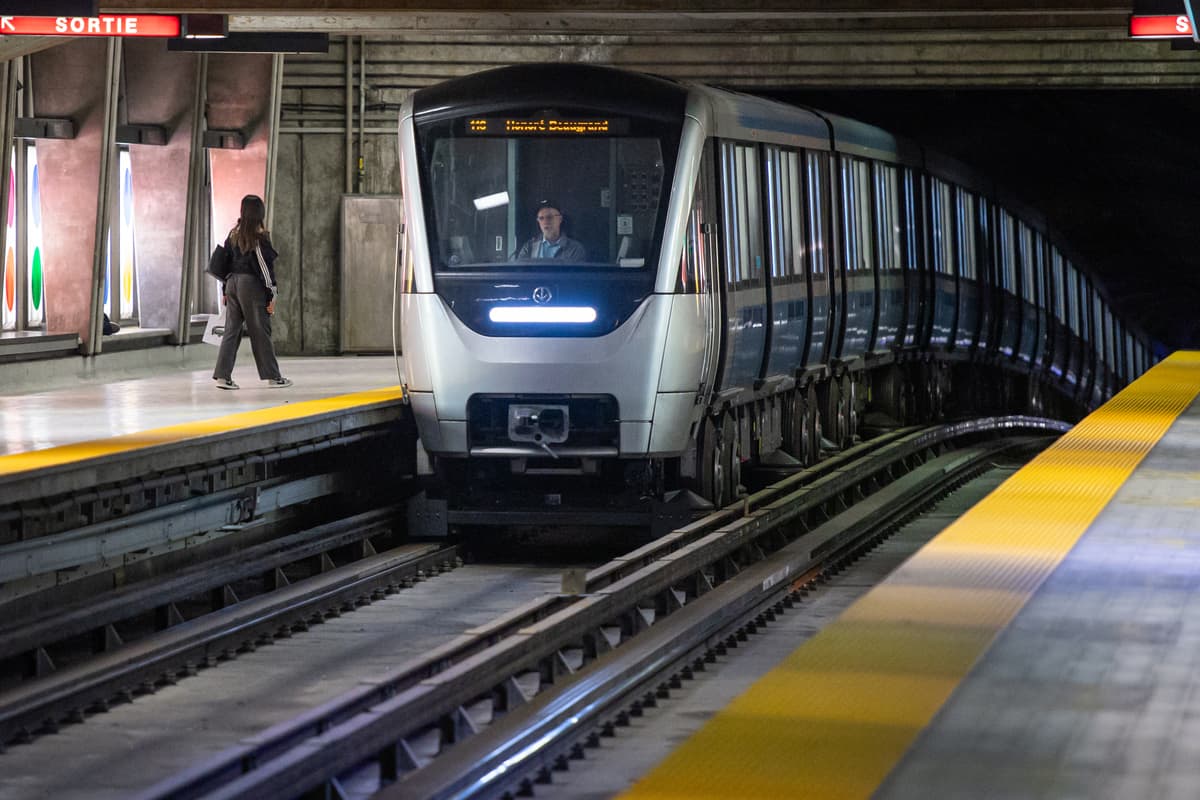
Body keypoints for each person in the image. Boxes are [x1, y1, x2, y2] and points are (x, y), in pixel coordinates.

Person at [212, 194, 292, 390]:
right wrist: (272, 293)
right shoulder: (259, 238)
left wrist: (225, 289)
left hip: (231, 283)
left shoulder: (233, 234)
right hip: (250, 286)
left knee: (231, 330)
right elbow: (265, 269)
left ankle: (223, 377)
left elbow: (226, 263)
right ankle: (273, 377)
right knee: (260, 331)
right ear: (260, 213)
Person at [514, 202, 586, 261]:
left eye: (550, 217)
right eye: (541, 218)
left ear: (560, 219)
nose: (545, 222)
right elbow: (520, 273)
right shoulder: (529, 247)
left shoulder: (575, 248)